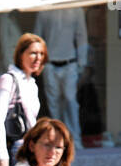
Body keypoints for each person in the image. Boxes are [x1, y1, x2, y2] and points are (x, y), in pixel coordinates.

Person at [0, 31, 46, 166]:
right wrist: (3, 160)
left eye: (41, 53)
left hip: (30, 150)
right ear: (21, 54)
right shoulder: (8, 80)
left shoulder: (31, 84)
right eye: (33, 53)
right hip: (14, 151)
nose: (38, 58)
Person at [34, 7, 89, 144]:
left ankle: (75, 139)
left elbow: (81, 36)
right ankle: (57, 139)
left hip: (70, 62)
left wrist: (82, 63)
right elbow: (37, 37)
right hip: (50, 63)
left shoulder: (76, 10)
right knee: (54, 103)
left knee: (70, 101)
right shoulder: (44, 11)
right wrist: (39, 63)